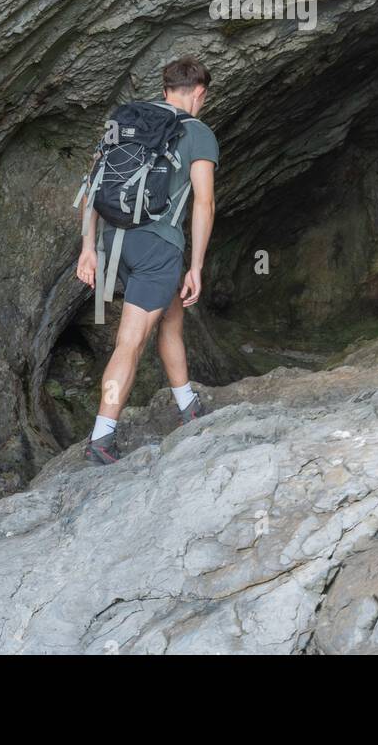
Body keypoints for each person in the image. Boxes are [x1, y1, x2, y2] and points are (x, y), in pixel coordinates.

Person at [76, 56, 218, 464]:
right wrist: (196, 266)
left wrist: (88, 247)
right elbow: (204, 203)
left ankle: (186, 404)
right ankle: (101, 439)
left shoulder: (128, 122)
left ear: (165, 88)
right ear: (199, 93)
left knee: (170, 316)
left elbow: (93, 187)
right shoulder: (198, 133)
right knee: (130, 342)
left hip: (115, 240)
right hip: (159, 247)